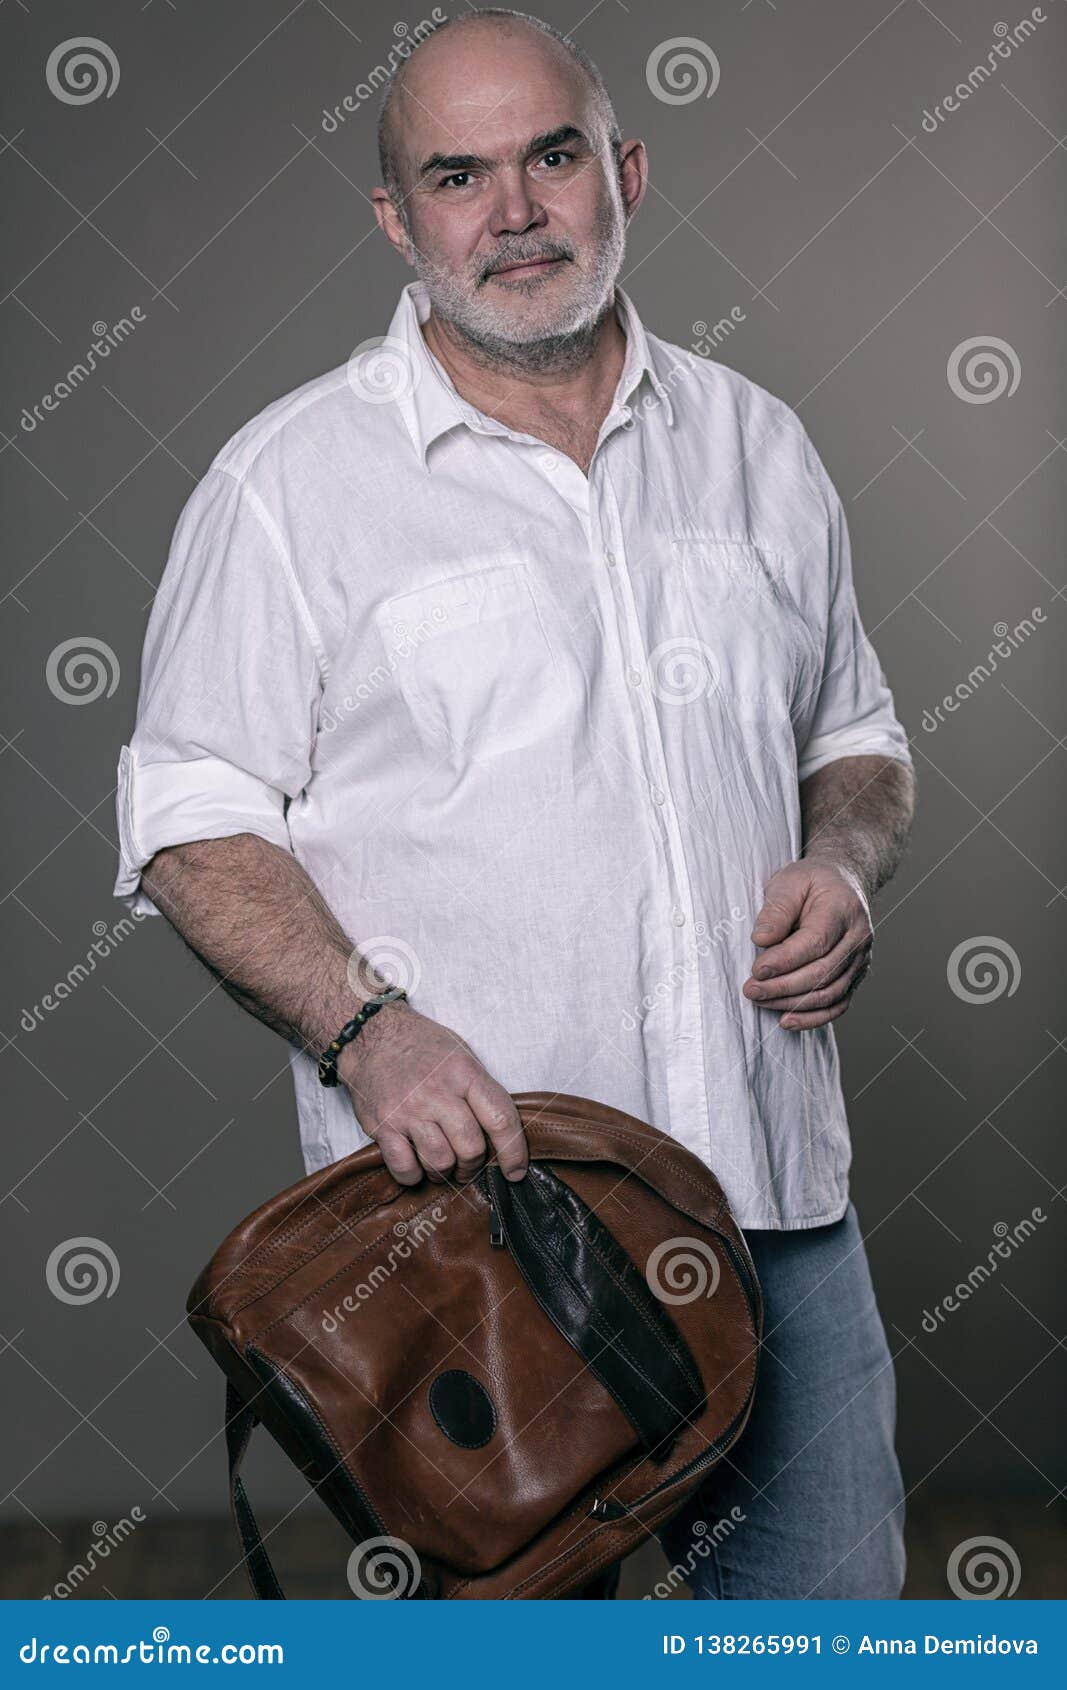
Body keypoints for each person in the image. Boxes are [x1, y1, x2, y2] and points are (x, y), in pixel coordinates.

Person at [112, 8, 913, 1598]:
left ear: (623, 171)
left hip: (776, 1207)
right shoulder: (287, 488)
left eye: (551, 156)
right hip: (474, 1240)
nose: (516, 211)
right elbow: (192, 819)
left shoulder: (759, 448)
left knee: (829, 1640)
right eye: (457, 175)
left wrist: (844, 857)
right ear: (398, 219)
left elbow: (861, 736)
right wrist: (372, 1031)